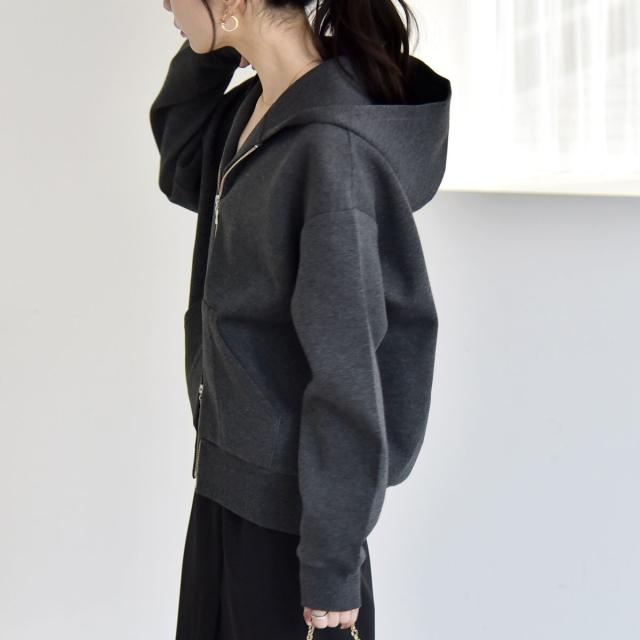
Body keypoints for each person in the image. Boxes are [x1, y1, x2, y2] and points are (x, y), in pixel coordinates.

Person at [149, 0, 451, 637]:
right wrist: (221, 47)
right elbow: (180, 163)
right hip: (227, 489)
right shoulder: (258, 109)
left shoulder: (329, 151)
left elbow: (348, 376)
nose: (166, 4)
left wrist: (333, 565)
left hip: (291, 529)